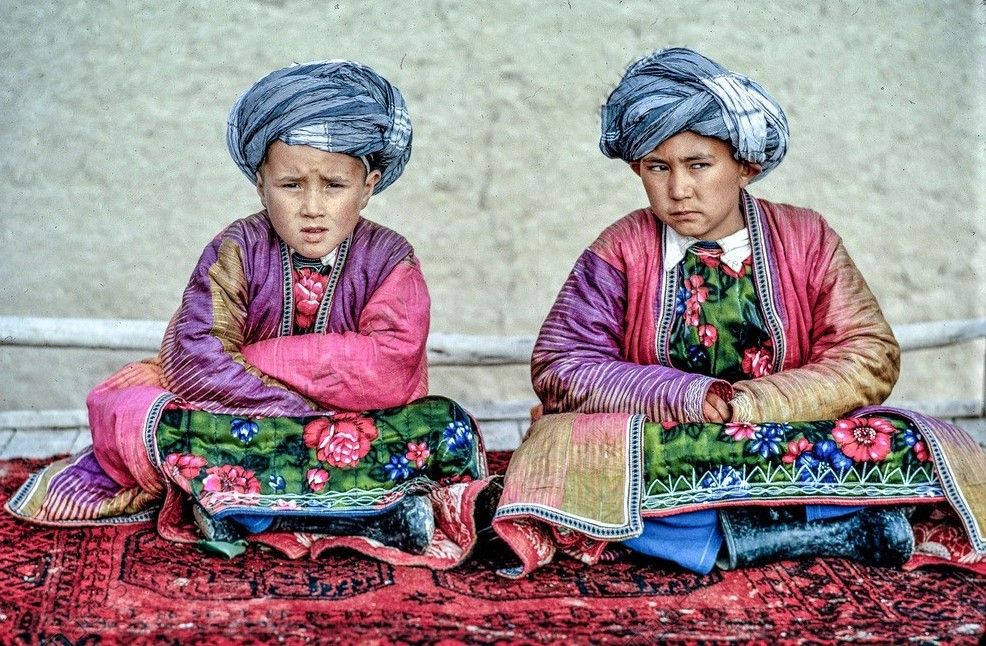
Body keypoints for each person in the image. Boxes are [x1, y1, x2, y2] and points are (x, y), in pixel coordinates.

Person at [493, 48, 985, 577]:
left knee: (912, 442)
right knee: (561, 452)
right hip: (672, 434)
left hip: (784, 429)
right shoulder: (621, 246)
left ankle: (730, 537)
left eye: (699, 165)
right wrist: (686, 398)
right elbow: (562, 362)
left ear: (745, 167)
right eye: (658, 167)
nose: (678, 189)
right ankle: (819, 533)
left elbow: (869, 353)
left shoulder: (805, 236)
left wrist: (756, 404)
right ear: (638, 169)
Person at [7, 60, 495, 567]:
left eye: (333, 185)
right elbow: (198, 357)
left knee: (445, 425)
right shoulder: (235, 249)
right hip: (248, 423)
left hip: (357, 427)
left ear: (368, 185)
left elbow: (389, 366)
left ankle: (240, 507)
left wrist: (262, 358)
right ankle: (369, 514)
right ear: (260, 183)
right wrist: (302, 418)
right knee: (143, 415)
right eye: (290, 185)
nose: (312, 207)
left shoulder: (392, 258)